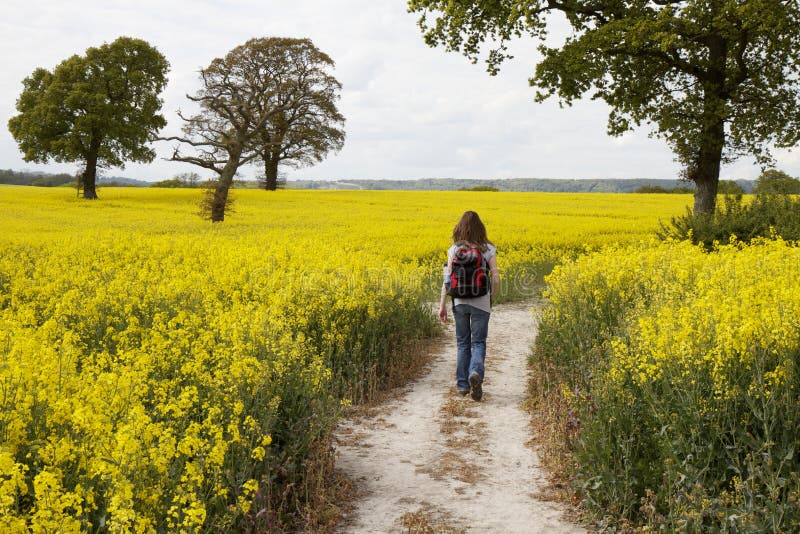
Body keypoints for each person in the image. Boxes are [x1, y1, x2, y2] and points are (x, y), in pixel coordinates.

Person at [438, 211, 500, 401]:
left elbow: (447, 280)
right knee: (479, 342)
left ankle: (463, 385)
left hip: (460, 302)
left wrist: (442, 305)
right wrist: (492, 299)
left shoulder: (453, 250)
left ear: (460, 227)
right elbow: (496, 278)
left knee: (463, 343)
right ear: (480, 227)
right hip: (481, 301)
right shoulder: (488, 248)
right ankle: (475, 372)